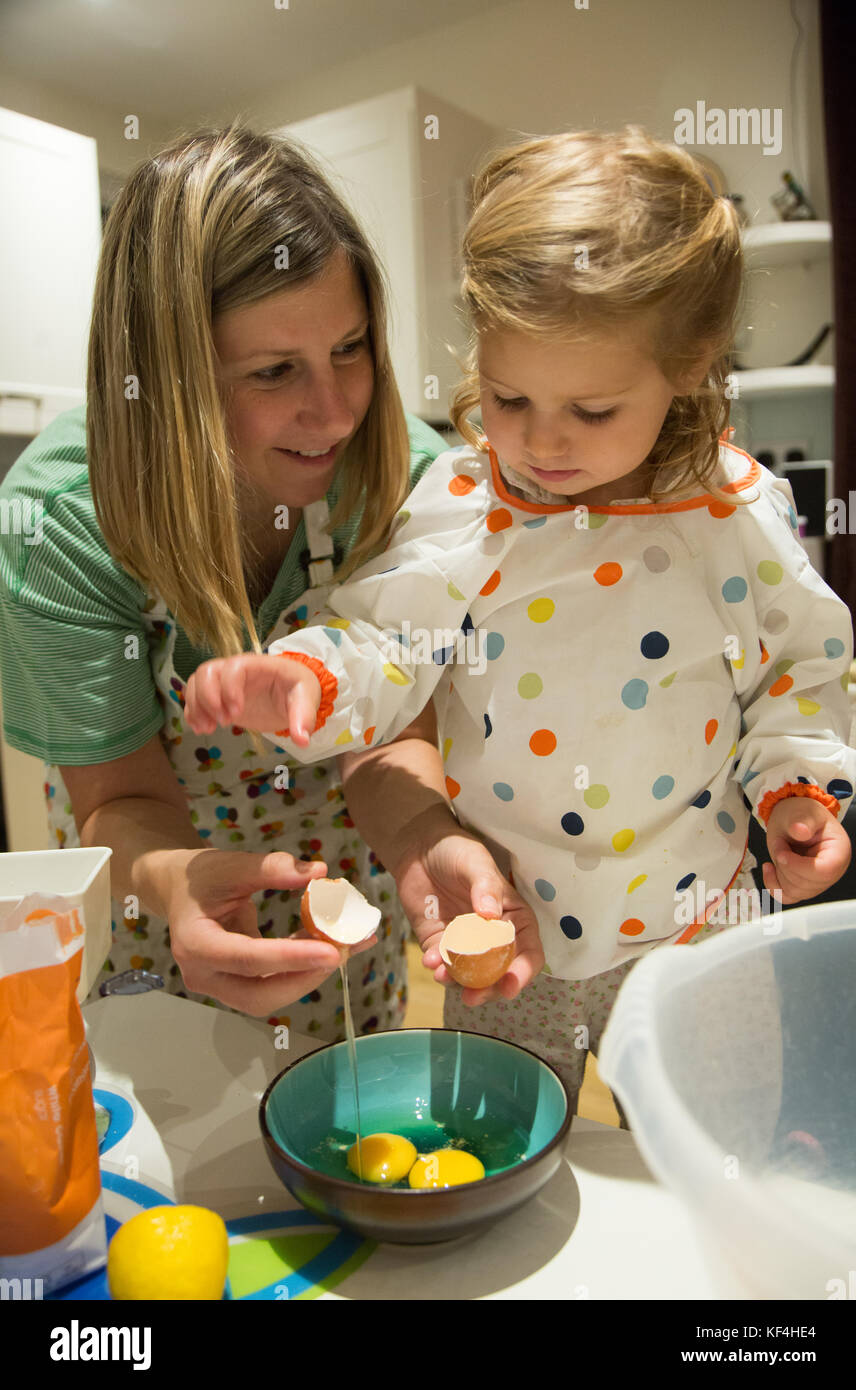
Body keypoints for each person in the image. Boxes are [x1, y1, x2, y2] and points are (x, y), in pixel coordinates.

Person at [183, 126, 856, 1108]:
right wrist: (309, 676)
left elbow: (797, 664)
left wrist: (798, 785)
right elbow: (387, 639)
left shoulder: (734, 510)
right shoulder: (469, 499)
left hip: (695, 925)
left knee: (712, 1148)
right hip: (507, 933)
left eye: (590, 411)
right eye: (508, 397)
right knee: (495, 1144)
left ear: (688, 364)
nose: (541, 442)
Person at [0, 120, 536, 1034]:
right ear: (166, 378)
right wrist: (182, 886)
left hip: (344, 924)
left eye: (351, 348)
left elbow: (384, 731)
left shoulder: (401, 476)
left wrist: (419, 842)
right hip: (153, 934)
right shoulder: (64, 527)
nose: (333, 413)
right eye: (274, 370)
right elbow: (120, 803)